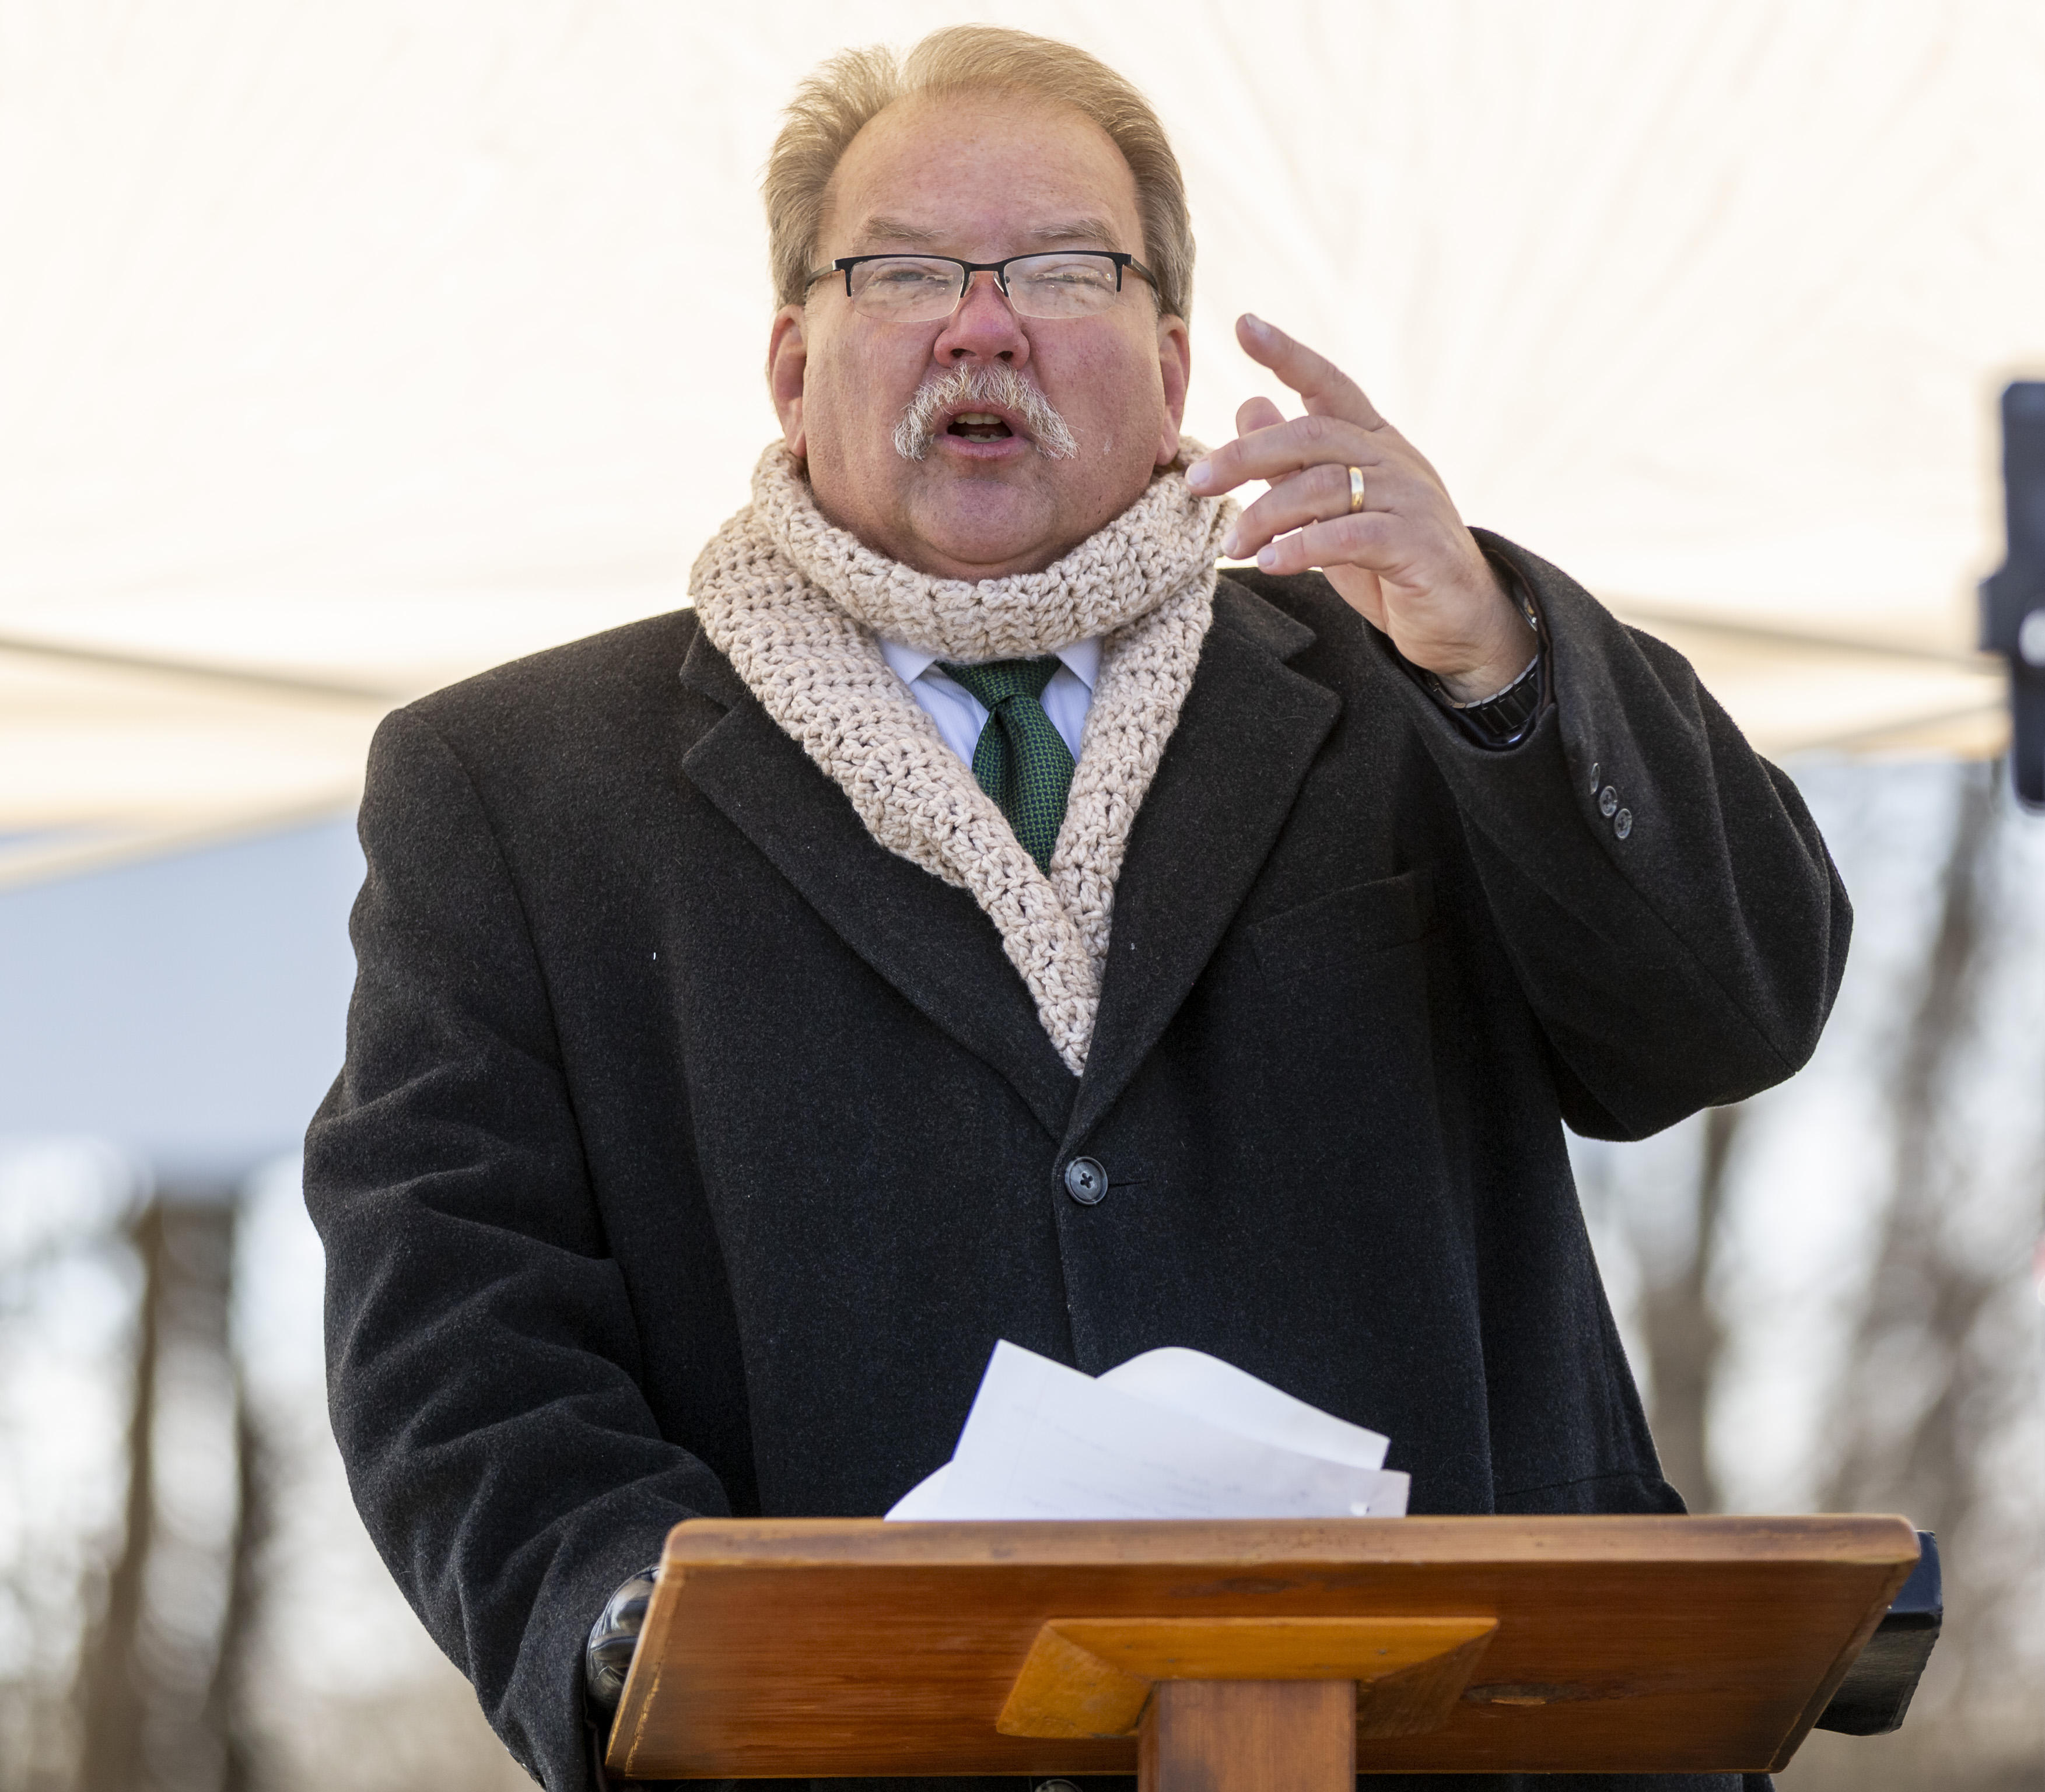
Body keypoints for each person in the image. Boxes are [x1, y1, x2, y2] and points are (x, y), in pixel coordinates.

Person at [306, 26, 1850, 1792]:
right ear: (792, 359)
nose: (983, 323)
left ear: (1171, 357)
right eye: (905, 272)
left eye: (1061, 269)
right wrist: (637, 1622)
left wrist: (1497, 649)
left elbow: (1735, 1007)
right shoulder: (512, 788)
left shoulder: (1413, 679)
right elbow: (451, 1316)